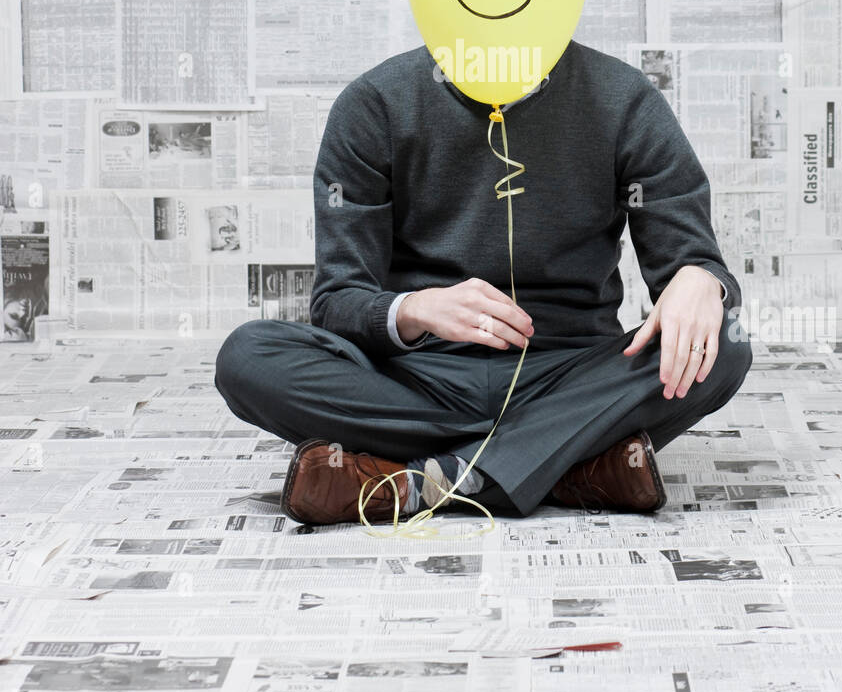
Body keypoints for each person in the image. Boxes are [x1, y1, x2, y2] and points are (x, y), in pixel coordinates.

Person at [215, 43, 752, 526]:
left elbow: (694, 261)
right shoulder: (374, 104)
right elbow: (337, 302)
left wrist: (700, 279)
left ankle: (422, 484)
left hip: (569, 377)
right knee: (247, 356)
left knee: (723, 340)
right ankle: (559, 467)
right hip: (417, 380)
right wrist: (416, 309)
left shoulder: (623, 98)